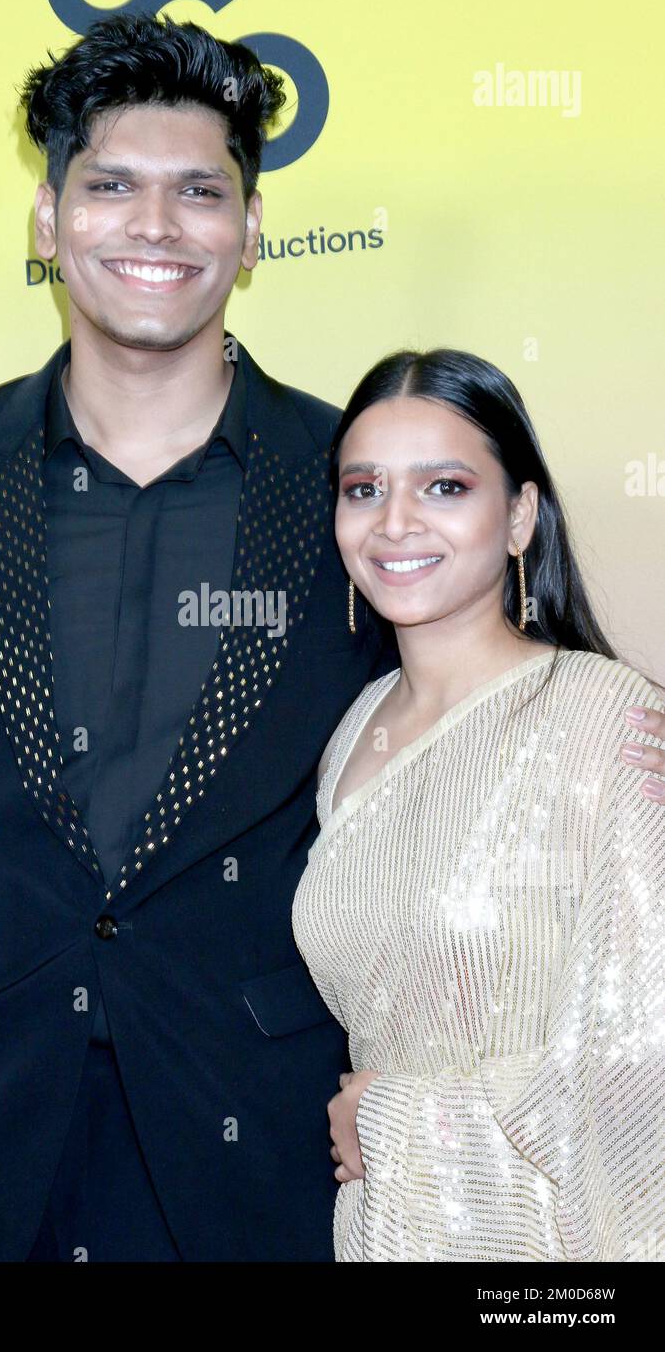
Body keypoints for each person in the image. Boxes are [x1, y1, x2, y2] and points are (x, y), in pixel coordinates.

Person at [0, 14, 661, 1265]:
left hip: (264, 1148)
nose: (155, 226)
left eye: (200, 191)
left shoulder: (357, 490)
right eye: (112, 187)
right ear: (48, 220)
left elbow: (457, 788)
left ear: (250, 233)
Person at [291, 348, 665, 1261]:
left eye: (446, 487)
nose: (395, 523)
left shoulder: (610, 718)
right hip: (382, 1232)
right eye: (363, 488)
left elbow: (642, 1063)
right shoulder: (351, 732)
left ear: (520, 516)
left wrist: (393, 1119)